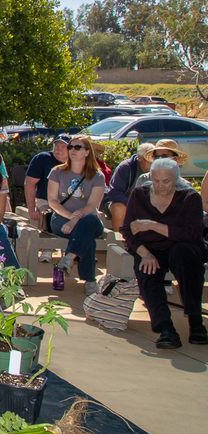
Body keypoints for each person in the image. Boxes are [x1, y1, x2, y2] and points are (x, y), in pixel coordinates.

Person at [121, 158, 207, 349]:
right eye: (156, 180)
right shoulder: (139, 195)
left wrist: (152, 225)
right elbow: (127, 229)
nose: (160, 185)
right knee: (147, 272)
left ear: (176, 179)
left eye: (166, 181)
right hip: (150, 248)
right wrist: (144, 253)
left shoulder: (189, 197)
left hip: (182, 247)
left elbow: (192, 234)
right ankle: (165, 329)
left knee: (186, 258)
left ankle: (196, 322)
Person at [48, 136, 106, 295]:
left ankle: (70, 257)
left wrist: (75, 220)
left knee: (89, 224)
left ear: (87, 152)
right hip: (61, 218)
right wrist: (71, 218)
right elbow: (53, 202)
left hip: (88, 219)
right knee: (87, 237)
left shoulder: (97, 176)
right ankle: (90, 281)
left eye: (77, 147)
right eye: (70, 147)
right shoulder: (57, 172)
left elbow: (92, 205)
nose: (72, 150)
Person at [24, 134, 70, 230]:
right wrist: (31, 209)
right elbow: (29, 184)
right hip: (46, 201)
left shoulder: (76, 162)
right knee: (49, 217)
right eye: (56, 146)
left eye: (63, 147)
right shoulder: (43, 158)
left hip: (69, 201)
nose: (58, 149)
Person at [106, 143, 155, 232]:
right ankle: (120, 237)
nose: (151, 162)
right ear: (140, 158)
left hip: (146, 204)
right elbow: (114, 192)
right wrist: (133, 204)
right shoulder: (126, 167)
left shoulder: (157, 170)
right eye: (147, 159)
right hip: (125, 203)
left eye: (153, 158)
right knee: (119, 208)